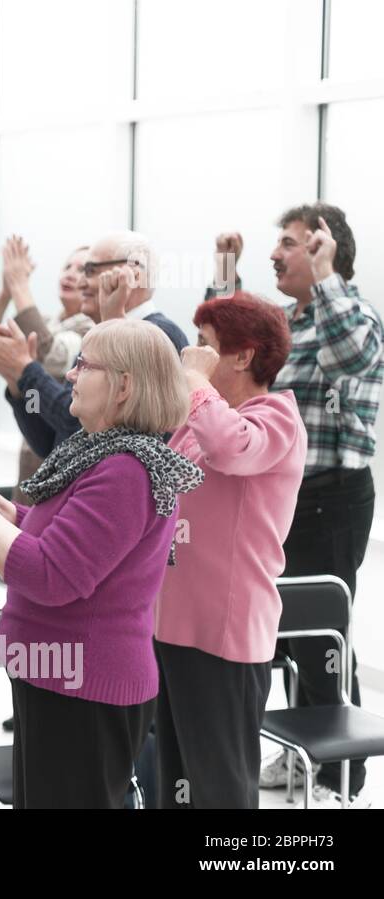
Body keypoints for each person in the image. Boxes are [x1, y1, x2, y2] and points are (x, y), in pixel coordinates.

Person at [0, 319, 201, 808]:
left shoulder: (126, 469)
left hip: (83, 685)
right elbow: (69, 540)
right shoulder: (106, 453)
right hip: (60, 675)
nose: (69, 376)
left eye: (85, 365)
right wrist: (0, 510)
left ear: (124, 385)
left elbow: (51, 575)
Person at [211, 205, 382, 804]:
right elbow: (226, 359)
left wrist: (327, 274)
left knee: (320, 633)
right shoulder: (284, 319)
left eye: (287, 243)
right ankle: (297, 752)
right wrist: (225, 277)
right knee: (274, 632)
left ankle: (340, 772)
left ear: (322, 249)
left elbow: (351, 358)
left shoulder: (356, 315)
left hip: (330, 500)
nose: (274, 254)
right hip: (278, 496)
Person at [156, 293, 306, 808]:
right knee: (173, 783)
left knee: (220, 790)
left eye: (206, 345)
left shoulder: (277, 418)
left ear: (242, 356)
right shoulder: (203, 417)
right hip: (172, 623)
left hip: (224, 633)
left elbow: (229, 448)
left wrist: (196, 382)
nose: (194, 355)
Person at [0, 231, 189, 460]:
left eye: (90, 270)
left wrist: (25, 370)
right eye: (74, 269)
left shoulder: (159, 336)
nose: (80, 281)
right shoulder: (94, 339)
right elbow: (50, 441)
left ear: (133, 272)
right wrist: (17, 382)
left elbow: (71, 420)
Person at [0, 239, 95, 500]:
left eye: (82, 270)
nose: (70, 274)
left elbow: (49, 350)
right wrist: (7, 291)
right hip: (31, 448)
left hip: (60, 458)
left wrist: (21, 285)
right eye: (67, 266)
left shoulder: (91, 329)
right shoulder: (48, 321)